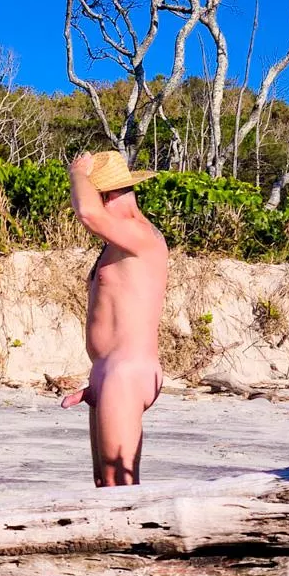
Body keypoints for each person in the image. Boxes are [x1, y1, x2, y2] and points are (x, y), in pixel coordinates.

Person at [61, 150, 167, 487]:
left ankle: (141, 543)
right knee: (104, 484)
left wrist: (76, 172)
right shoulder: (118, 241)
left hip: (126, 372)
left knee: (118, 489)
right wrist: (98, 380)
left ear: (105, 194)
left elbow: (87, 213)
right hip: (108, 372)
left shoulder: (139, 233)